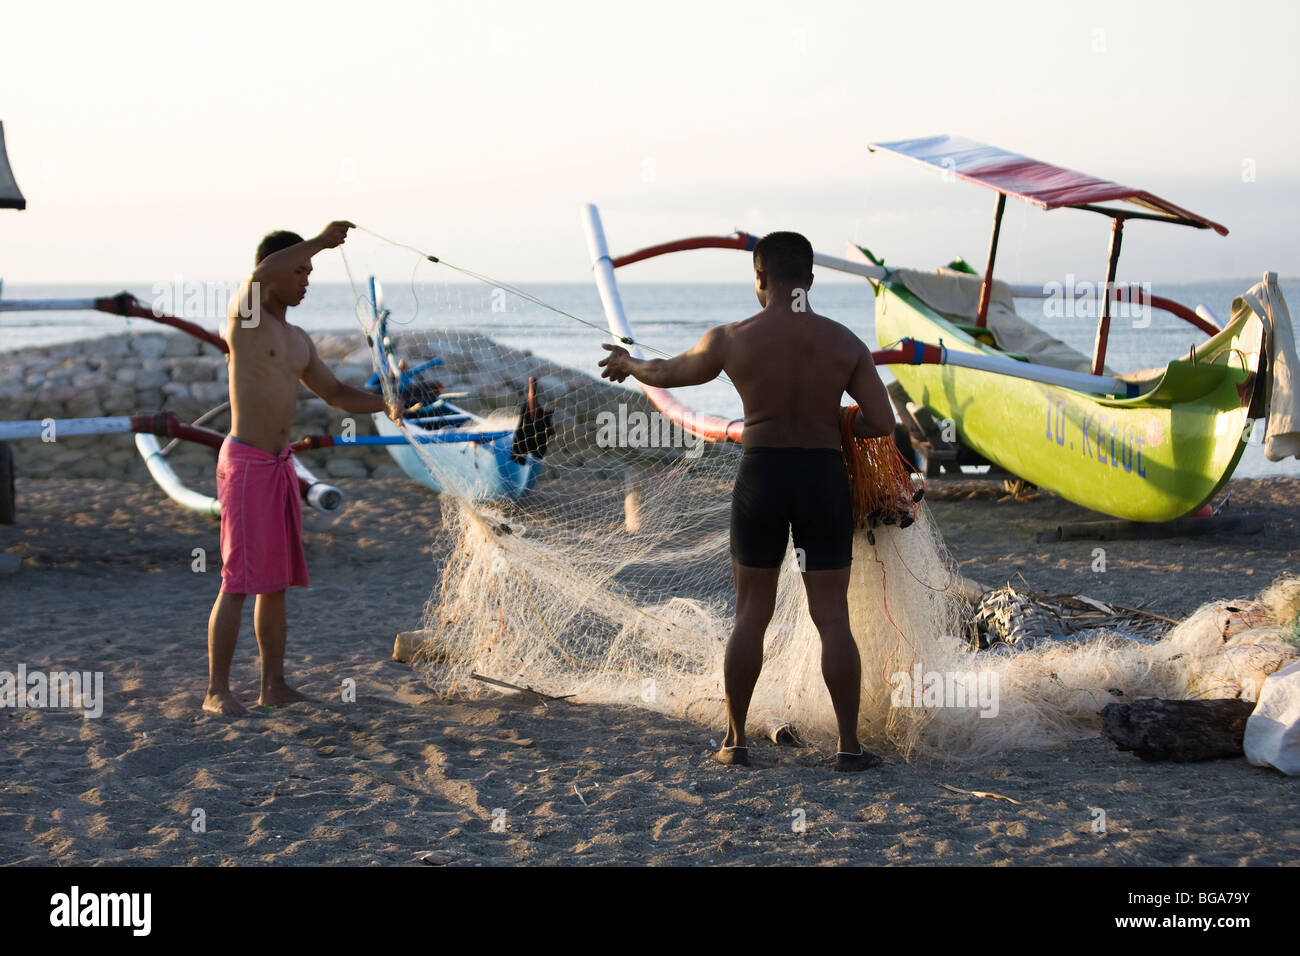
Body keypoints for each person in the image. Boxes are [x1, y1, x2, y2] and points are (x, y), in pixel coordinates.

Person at [598, 231, 896, 771]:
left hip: (762, 476)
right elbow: (882, 422)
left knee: (749, 615)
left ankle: (735, 740)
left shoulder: (733, 338)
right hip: (822, 479)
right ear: (809, 280)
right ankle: (848, 747)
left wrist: (630, 364)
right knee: (832, 617)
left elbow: (667, 374)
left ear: (760, 279)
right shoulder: (844, 342)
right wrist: (837, 420)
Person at [203, 221, 407, 715]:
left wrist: (392, 401)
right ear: (269, 273)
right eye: (299, 270)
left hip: (279, 466)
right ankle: (217, 692)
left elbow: (337, 394)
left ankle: (272, 687)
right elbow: (263, 273)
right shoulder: (246, 317)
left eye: (310, 271)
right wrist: (320, 239)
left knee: (274, 583)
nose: (306, 279)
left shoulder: (297, 338)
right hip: (247, 464)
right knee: (237, 581)